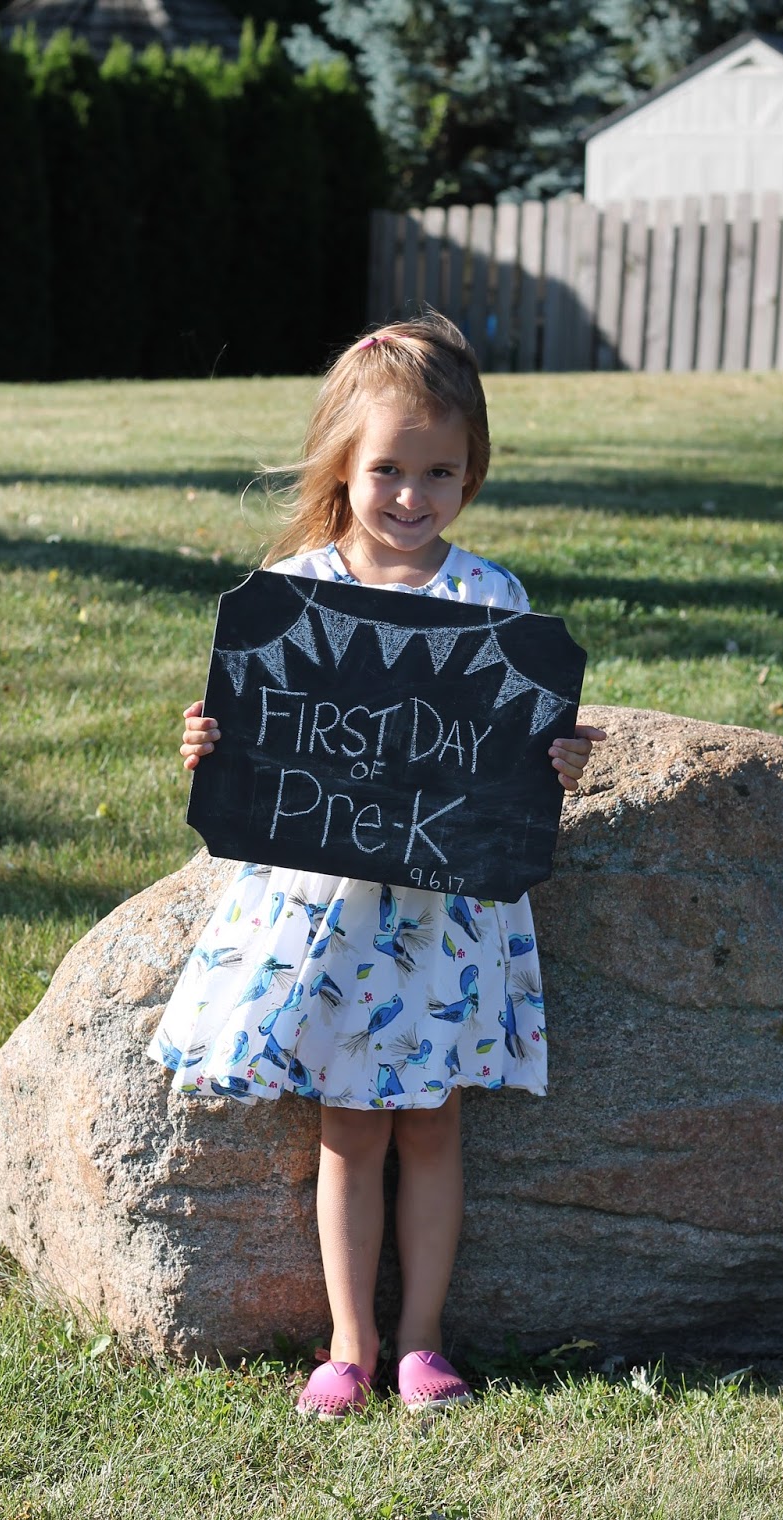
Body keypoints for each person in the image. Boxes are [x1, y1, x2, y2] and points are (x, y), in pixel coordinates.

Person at [147, 313, 605, 1418]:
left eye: (439, 472)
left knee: (435, 1121)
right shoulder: (293, 590)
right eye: (387, 469)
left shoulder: (491, 600)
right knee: (349, 1130)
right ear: (341, 468)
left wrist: (560, 754)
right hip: (330, 915)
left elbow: (518, 748)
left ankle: (423, 1342)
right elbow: (254, 732)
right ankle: (348, 1346)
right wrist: (211, 744)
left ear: (471, 473)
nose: (412, 495)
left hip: (445, 921)